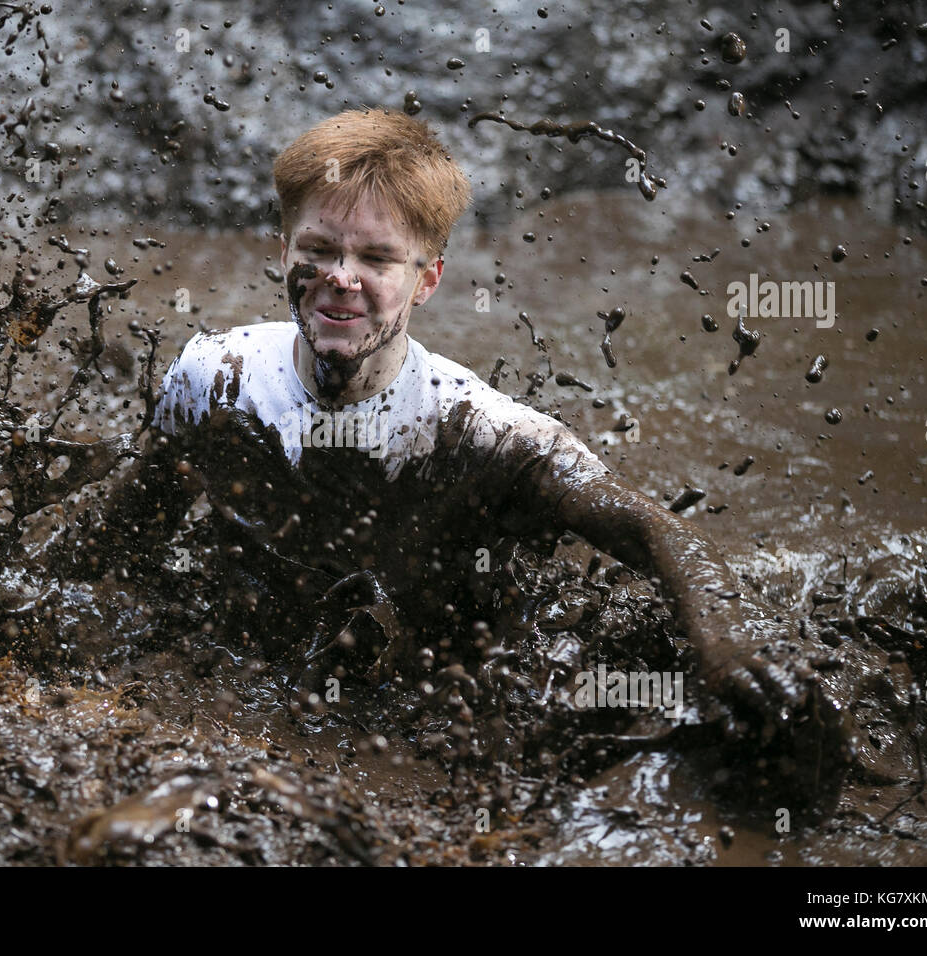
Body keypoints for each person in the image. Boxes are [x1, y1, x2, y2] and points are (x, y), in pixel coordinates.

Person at [103, 107, 852, 767]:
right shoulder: (214, 376)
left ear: (426, 279)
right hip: (254, 679)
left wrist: (723, 642)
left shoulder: (484, 431)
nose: (341, 277)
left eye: (376, 258)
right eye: (320, 248)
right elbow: (127, 536)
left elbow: (651, 530)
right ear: (282, 250)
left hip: (430, 711)